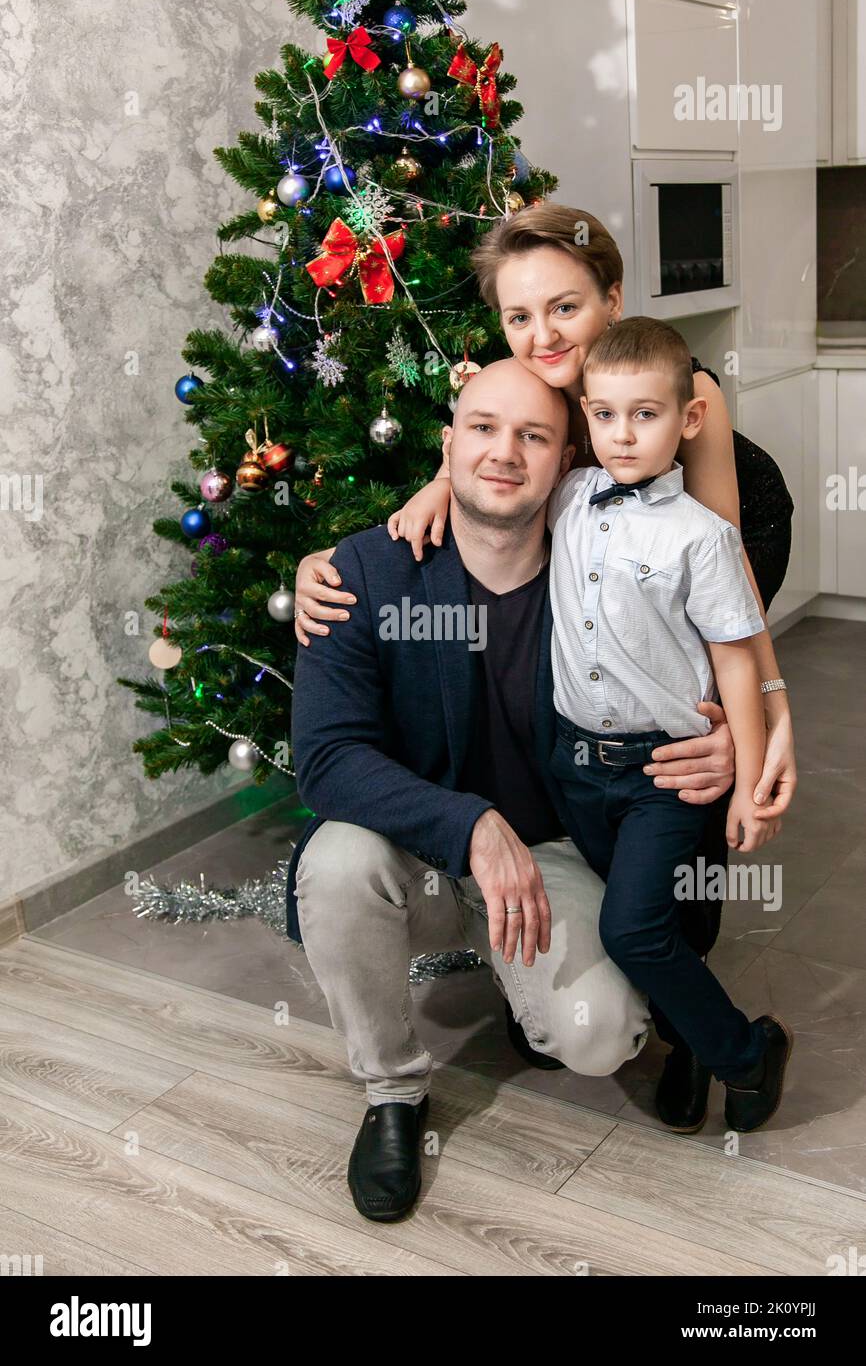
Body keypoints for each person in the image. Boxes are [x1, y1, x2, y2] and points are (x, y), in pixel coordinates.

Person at [293, 203, 797, 1134]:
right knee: (347, 861)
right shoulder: (489, 482)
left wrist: (755, 715)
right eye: (518, 318)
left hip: (693, 630)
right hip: (526, 785)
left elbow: (726, 596)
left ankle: (687, 1028)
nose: (542, 336)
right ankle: (395, 1092)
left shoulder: (678, 403)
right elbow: (499, 442)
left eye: (564, 308)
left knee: (646, 905)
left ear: (612, 298)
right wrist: (433, 490)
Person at [289, 358, 739, 1223]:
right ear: (448, 444)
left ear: (567, 458)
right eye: (484, 428)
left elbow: (702, 678)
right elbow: (328, 757)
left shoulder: (609, 575)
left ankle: (525, 990)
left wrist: (720, 743)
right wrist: (470, 826)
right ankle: (391, 1094)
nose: (504, 452)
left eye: (532, 435)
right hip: (419, 856)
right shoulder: (363, 575)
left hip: (555, 856)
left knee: (598, 1035)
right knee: (337, 861)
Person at [544, 314, 793, 1130]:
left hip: (666, 769)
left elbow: (736, 666)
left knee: (632, 927)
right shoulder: (569, 496)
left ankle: (744, 1052)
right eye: (605, 413)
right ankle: (682, 1037)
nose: (622, 434)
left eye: (645, 414)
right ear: (584, 413)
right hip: (575, 766)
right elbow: (482, 472)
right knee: (663, 917)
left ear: (688, 420)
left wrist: (748, 787)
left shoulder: (703, 538)